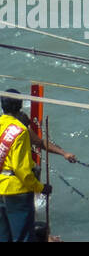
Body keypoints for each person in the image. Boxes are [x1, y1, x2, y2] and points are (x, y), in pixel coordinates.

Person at [0, 89, 53, 242]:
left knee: (3, 237)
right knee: (23, 237)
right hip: (17, 191)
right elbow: (21, 170)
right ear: (20, 106)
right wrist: (41, 188)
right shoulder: (19, 131)